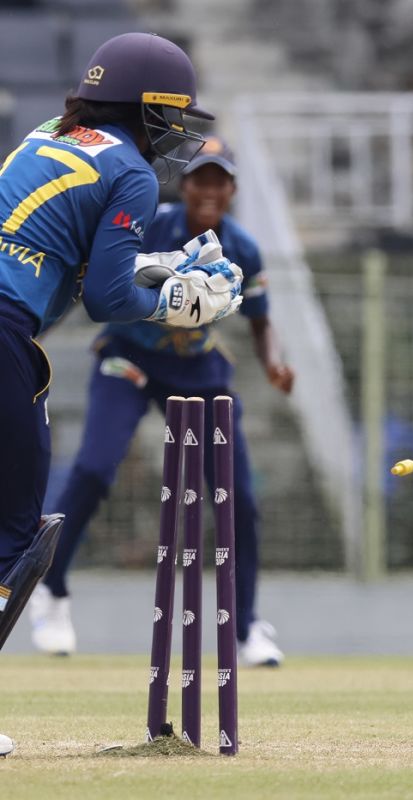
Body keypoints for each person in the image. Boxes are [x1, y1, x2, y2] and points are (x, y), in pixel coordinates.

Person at [0, 32, 241, 754]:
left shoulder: (50, 134)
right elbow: (106, 296)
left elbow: (66, 254)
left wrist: (160, 264)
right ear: (149, 108)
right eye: (173, 117)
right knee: (19, 535)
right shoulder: (133, 171)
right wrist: (181, 301)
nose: (177, 134)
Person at [27, 137, 293, 667]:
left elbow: (261, 320)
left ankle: (243, 628)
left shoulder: (242, 246)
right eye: (201, 179)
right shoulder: (152, 224)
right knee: (94, 470)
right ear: (186, 184)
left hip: (199, 371)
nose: (209, 190)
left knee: (237, 497)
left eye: (220, 181)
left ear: (233, 189)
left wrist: (273, 362)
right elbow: (99, 284)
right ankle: (51, 593)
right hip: (130, 361)